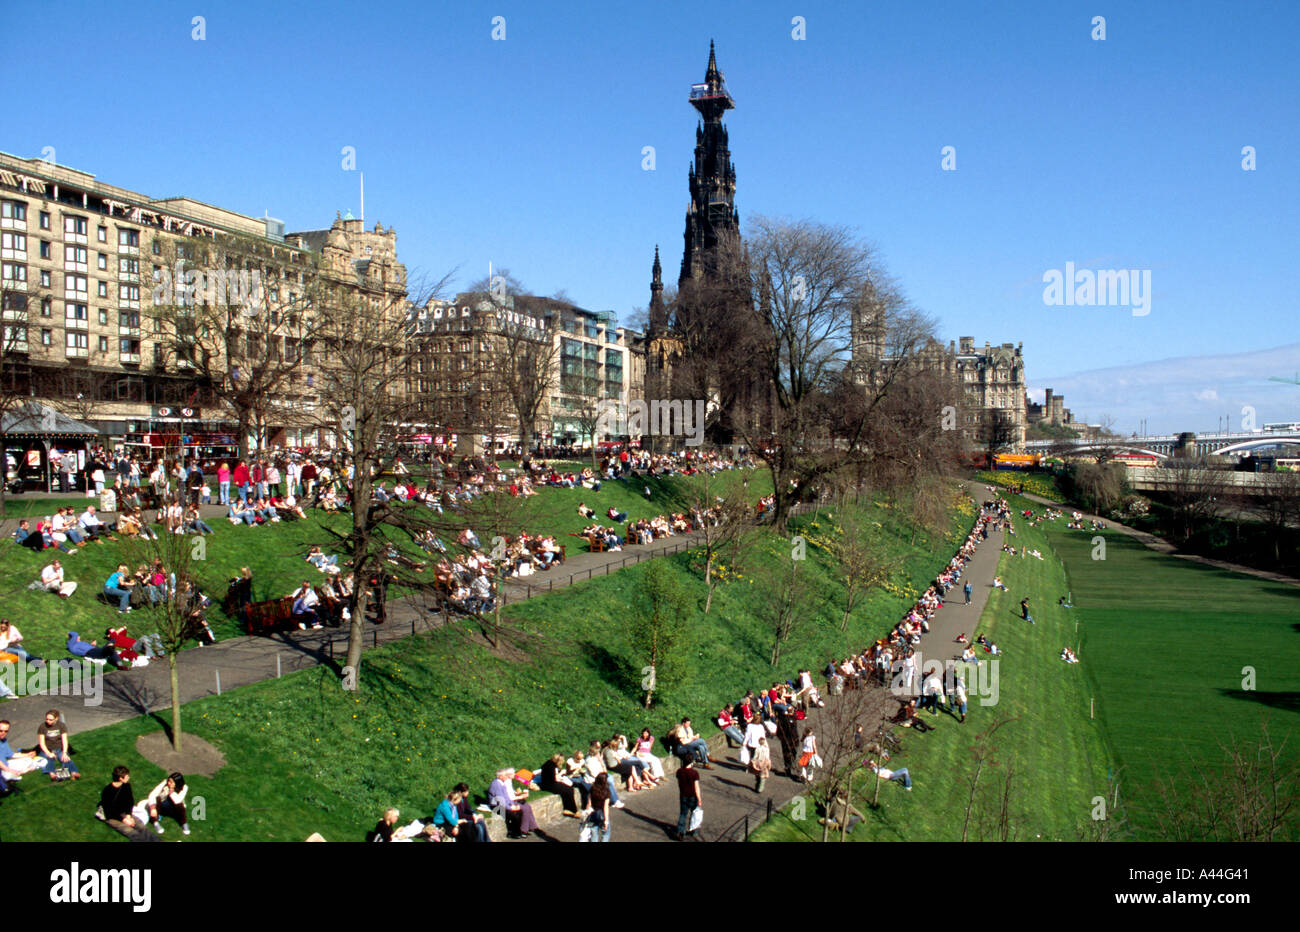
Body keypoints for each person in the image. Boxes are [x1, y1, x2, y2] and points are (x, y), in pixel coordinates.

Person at [488, 768, 538, 838]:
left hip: (503, 804)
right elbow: (500, 800)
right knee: (514, 813)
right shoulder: (497, 785)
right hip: (496, 806)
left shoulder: (501, 783)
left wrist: (511, 804)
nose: (507, 776)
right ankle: (513, 833)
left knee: (518, 811)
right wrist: (510, 807)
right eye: (505, 775)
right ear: (500, 777)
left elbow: (506, 797)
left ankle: (518, 831)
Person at [37, 709, 81, 781]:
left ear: (56, 718)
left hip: (59, 748)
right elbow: (41, 743)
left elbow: (64, 740)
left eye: (51, 720)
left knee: (65, 758)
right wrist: (48, 753)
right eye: (47, 719)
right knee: (48, 759)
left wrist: (64, 753)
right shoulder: (42, 727)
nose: (48, 721)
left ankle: (74, 772)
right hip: (48, 749)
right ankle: (52, 774)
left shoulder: (61, 726)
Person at [674, 757, 702, 841]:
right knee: (694, 814)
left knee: (683, 814)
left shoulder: (679, 771)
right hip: (693, 796)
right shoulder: (694, 773)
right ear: (692, 762)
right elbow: (696, 787)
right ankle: (694, 831)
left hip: (683, 796)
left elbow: (679, 783)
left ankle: (680, 832)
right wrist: (699, 799)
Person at [582, 772, 612, 843]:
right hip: (601, 814)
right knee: (605, 834)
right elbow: (605, 807)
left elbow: (589, 803)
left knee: (594, 834)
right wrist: (606, 820)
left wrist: (586, 814)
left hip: (593, 814)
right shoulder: (606, 791)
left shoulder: (592, 789)